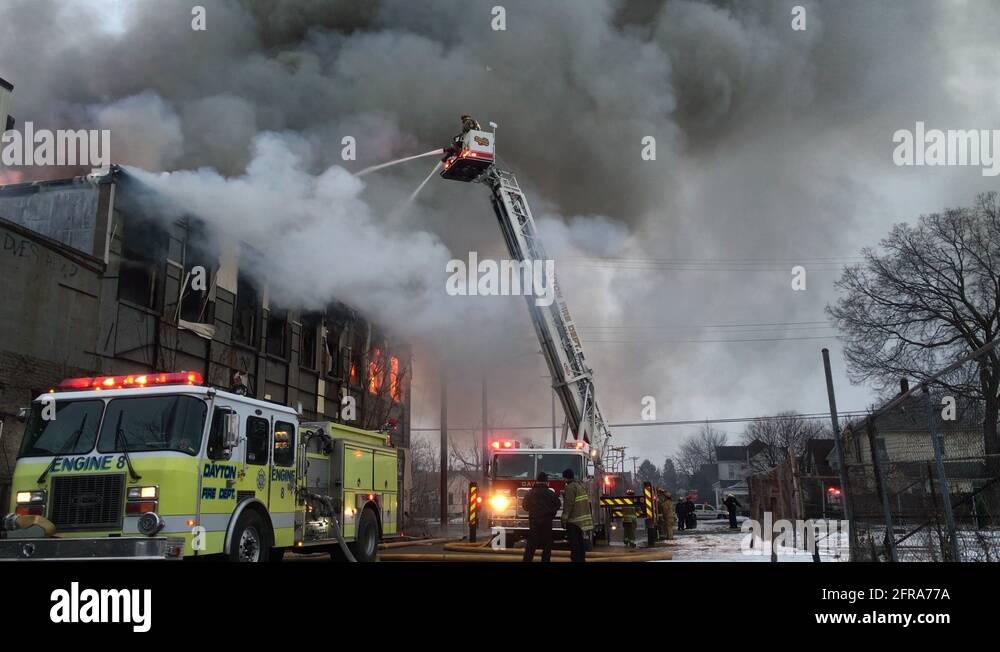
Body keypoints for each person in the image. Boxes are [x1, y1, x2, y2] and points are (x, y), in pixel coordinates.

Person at [522, 471, 561, 562]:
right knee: (547, 546)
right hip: (547, 522)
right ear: (546, 481)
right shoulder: (550, 493)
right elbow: (558, 504)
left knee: (531, 545)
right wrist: (552, 512)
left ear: (537, 480)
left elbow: (525, 506)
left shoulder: (530, 493)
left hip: (534, 522)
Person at [560, 468, 593, 562]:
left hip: (573, 520)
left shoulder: (570, 487)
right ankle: (581, 559)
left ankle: (576, 559)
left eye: (563, 478)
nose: (563, 480)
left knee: (574, 544)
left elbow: (569, 505)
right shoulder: (580, 485)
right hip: (581, 521)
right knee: (580, 542)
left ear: (566, 478)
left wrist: (564, 519)